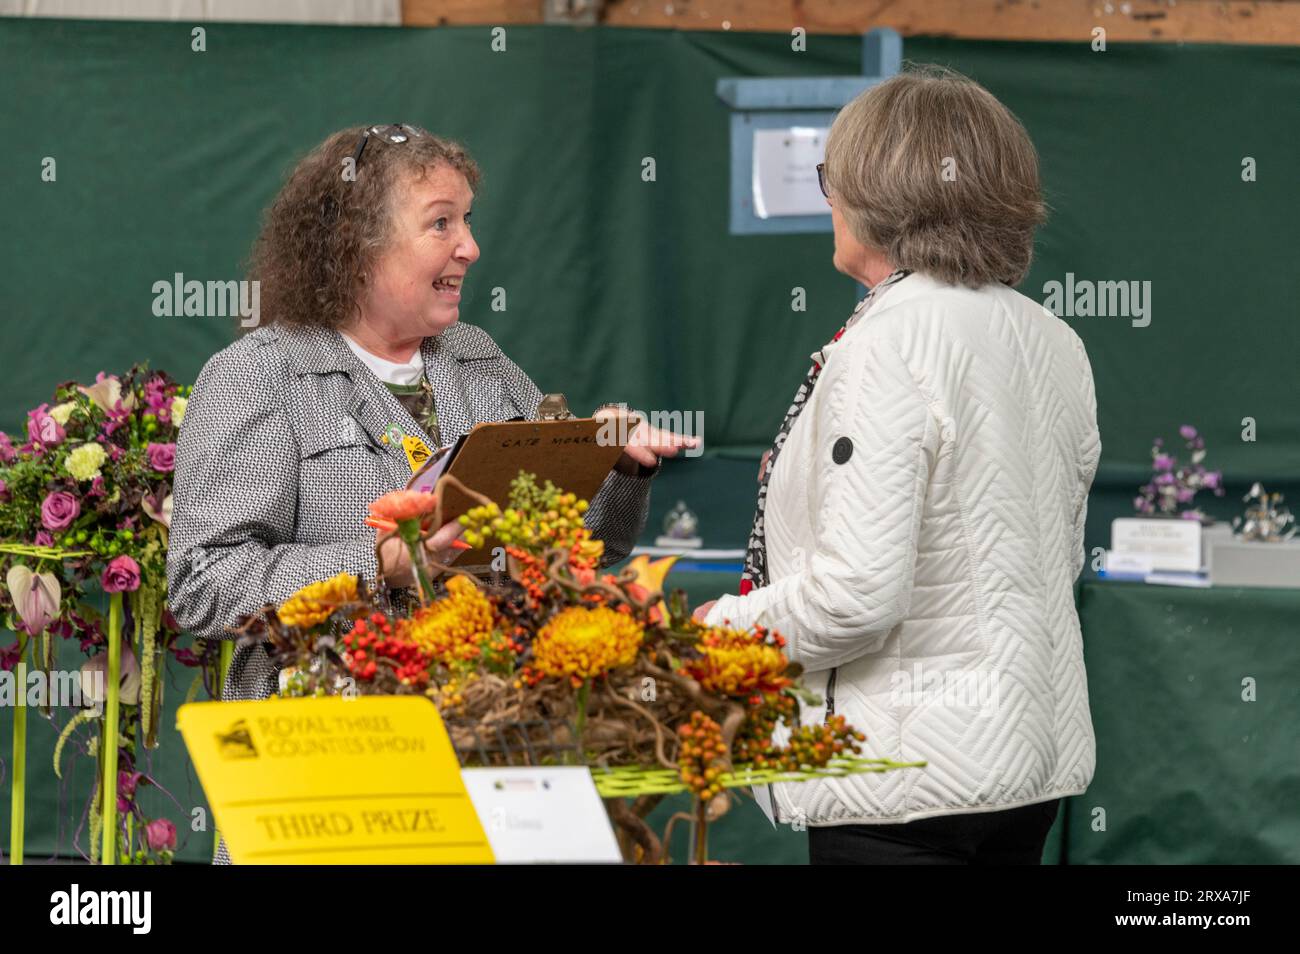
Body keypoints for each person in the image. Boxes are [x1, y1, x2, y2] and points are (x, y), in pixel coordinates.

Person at [695, 68, 1101, 864]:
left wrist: (721, 631)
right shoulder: (1054, 339)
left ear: (881, 192)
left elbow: (856, 597)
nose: (829, 200)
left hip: (902, 788)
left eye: (832, 178)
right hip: (1023, 772)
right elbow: (1056, 559)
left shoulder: (888, 342)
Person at [168, 124, 695, 708]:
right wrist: (374, 565)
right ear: (357, 244)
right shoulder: (257, 377)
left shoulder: (479, 358)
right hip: (330, 740)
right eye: (442, 223)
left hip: (497, 722)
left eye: (468, 220)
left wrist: (613, 464)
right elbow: (202, 586)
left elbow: (585, 547)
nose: (470, 247)